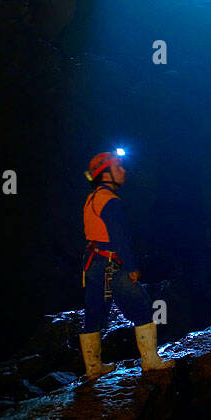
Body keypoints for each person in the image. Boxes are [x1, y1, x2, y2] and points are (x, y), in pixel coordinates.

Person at [78, 150, 174, 379]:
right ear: (106, 174)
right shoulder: (110, 202)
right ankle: (150, 360)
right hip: (112, 263)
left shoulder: (92, 199)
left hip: (94, 263)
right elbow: (120, 238)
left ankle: (93, 369)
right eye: (118, 167)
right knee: (141, 307)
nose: (124, 171)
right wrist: (131, 267)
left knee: (94, 312)